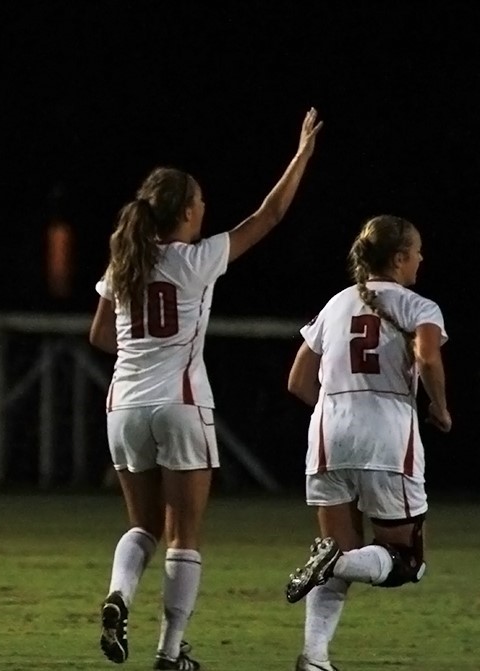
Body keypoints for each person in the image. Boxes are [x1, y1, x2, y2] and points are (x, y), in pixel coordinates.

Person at [89, 109, 323, 670]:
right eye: (198, 203)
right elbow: (269, 216)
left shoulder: (124, 262)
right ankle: (169, 653)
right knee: (184, 535)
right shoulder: (196, 260)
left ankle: (119, 594)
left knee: (143, 527)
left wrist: (143, 349)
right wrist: (302, 155)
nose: (204, 210)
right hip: (181, 402)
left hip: (124, 405)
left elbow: (100, 336)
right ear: (186, 213)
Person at [283, 215, 450, 671]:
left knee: (339, 547)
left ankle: (314, 658)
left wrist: (339, 409)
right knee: (406, 562)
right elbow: (428, 357)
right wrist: (440, 408)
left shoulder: (336, 303)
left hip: (327, 436)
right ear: (398, 258)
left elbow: (298, 380)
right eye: (416, 251)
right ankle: (332, 565)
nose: (421, 258)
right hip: (386, 439)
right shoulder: (419, 307)